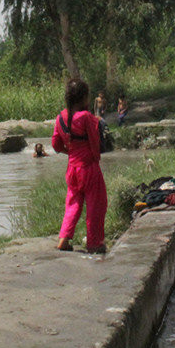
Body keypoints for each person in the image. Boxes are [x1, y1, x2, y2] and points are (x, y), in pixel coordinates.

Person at [52, 78, 108, 253]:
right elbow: (94, 143)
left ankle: (64, 238)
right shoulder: (86, 117)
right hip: (88, 167)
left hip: (72, 168)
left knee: (73, 203)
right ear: (84, 98)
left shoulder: (60, 117)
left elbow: (55, 145)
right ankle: (94, 242)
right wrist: (95, 157)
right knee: (96, 204)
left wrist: (71, 152)